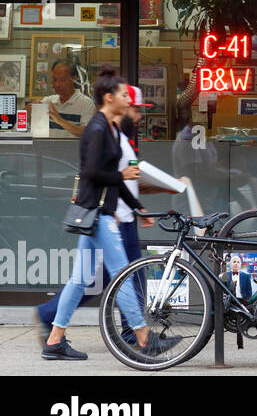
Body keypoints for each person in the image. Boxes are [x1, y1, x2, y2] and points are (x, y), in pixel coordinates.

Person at [41, 70, 166, 361]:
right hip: (99, 215)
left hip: (98, 213)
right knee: (122, 276)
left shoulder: (109, 128)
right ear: (109, 98)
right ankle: (144, 339)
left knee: (80, 278)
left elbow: (115, 181)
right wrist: (121, 174)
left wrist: (136, 209)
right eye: (123, 95)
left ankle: (54, 341)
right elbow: (91, 173)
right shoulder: (97, 129)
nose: (127, 99)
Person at [36, 60, 95, 138]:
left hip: (72, 150)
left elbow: (86, 133)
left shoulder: (87, 104)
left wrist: (59, 120)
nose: (57, 84)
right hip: (49, 149)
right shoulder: (48, 101)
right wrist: (29, 110)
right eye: (54, 80)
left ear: (74, 78)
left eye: (62, 80)